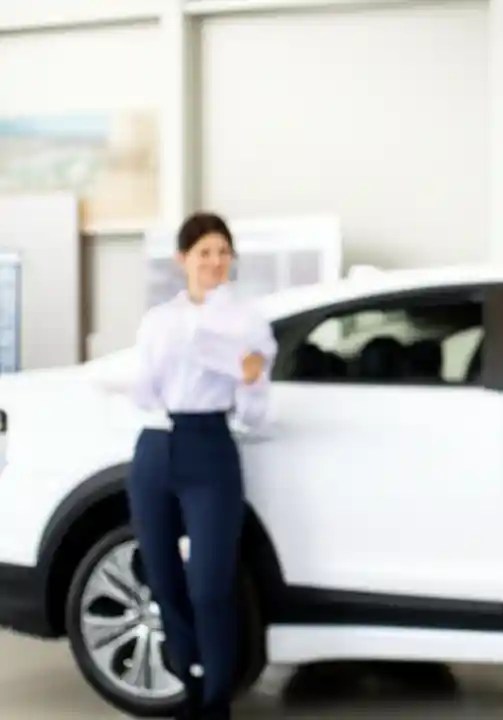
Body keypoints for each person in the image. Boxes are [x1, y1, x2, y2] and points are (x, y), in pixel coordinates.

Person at [127, 212, 276, 719]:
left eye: (222, 252)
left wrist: (251, 380)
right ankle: (190, 684)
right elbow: (142, 391)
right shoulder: (159, 320)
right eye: (204, 252)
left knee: (210, 585)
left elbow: (254, 414)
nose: (215, 262)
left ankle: (216, 700)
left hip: (210, 445)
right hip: (155, 445)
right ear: (182, 259)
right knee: (163, 579)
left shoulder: (247, 321)